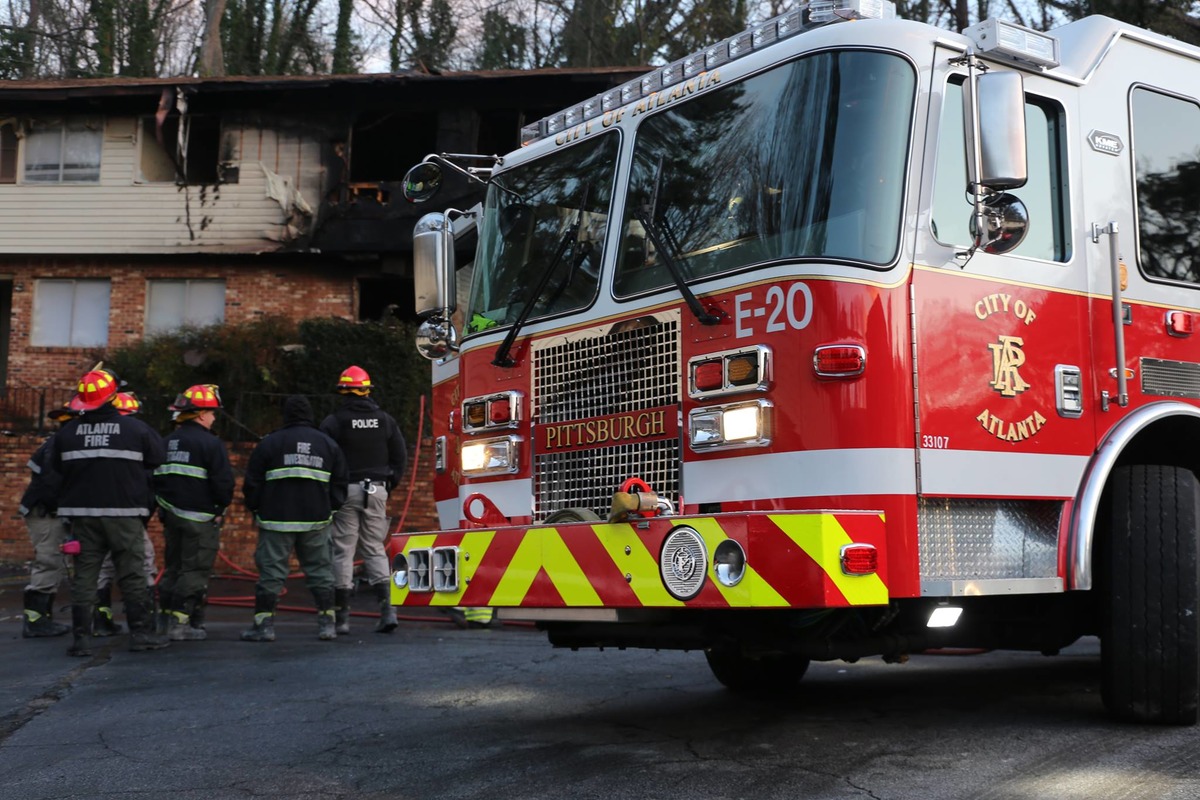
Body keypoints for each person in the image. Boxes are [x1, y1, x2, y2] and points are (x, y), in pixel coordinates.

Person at [47, 369, 169, 656]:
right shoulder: (136, 430)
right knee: (132, 573)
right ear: (113, 396)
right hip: (124, 514)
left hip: (82, 516)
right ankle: (139, 635)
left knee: (86, 575)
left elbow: (56, 470)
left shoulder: (67, 434)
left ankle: (81, 640)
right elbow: (157, 459)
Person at [241, 395, 348, 643]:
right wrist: (329, 510)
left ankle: (263, 626)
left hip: (275, 520)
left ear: (286, 415)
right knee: (321, 571)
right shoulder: (327, 444)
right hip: (316, 520)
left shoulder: (270, 444)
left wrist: (257, 509)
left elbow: (252, 483)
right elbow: (340, 482)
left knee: (271, 572)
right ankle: (327, 624)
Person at [319, 365, 407, 635]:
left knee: (343, 550)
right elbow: (400, 457)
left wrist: (331, 492)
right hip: (377, 490)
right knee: (375, 548)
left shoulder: (334, 421)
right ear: (367, 390)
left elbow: (324, 456)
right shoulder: (385, 420)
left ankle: (341, 619)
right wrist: (388, 485)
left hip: (346, 491)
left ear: (343, 391)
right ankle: (387, 612)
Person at [153, 384, 234, 642]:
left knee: (174, 568)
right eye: (212, 413)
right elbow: (223, 484)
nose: (213, 418)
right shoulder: (210, 444)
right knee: (195, 571)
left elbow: (156, 480)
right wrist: (219, 509)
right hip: (200, 519)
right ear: (200, 414)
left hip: (171, 517)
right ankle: (180, 624)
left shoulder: (166, 442)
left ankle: (163, 620)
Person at [93, 391, 160, 637]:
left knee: (103, 567)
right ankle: (145, 625)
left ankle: (99, 620)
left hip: (95, 517)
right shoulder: (137, 438)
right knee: (142, 562)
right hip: (126, 517)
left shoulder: (96, 437)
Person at [18, 403, 75, 638]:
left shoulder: (56, 442)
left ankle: (42, 617)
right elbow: (52, 484)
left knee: (53, 561)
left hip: (46, 510)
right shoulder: (60, 445)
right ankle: (36, 620)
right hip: (45, 513)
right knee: (48, 560)